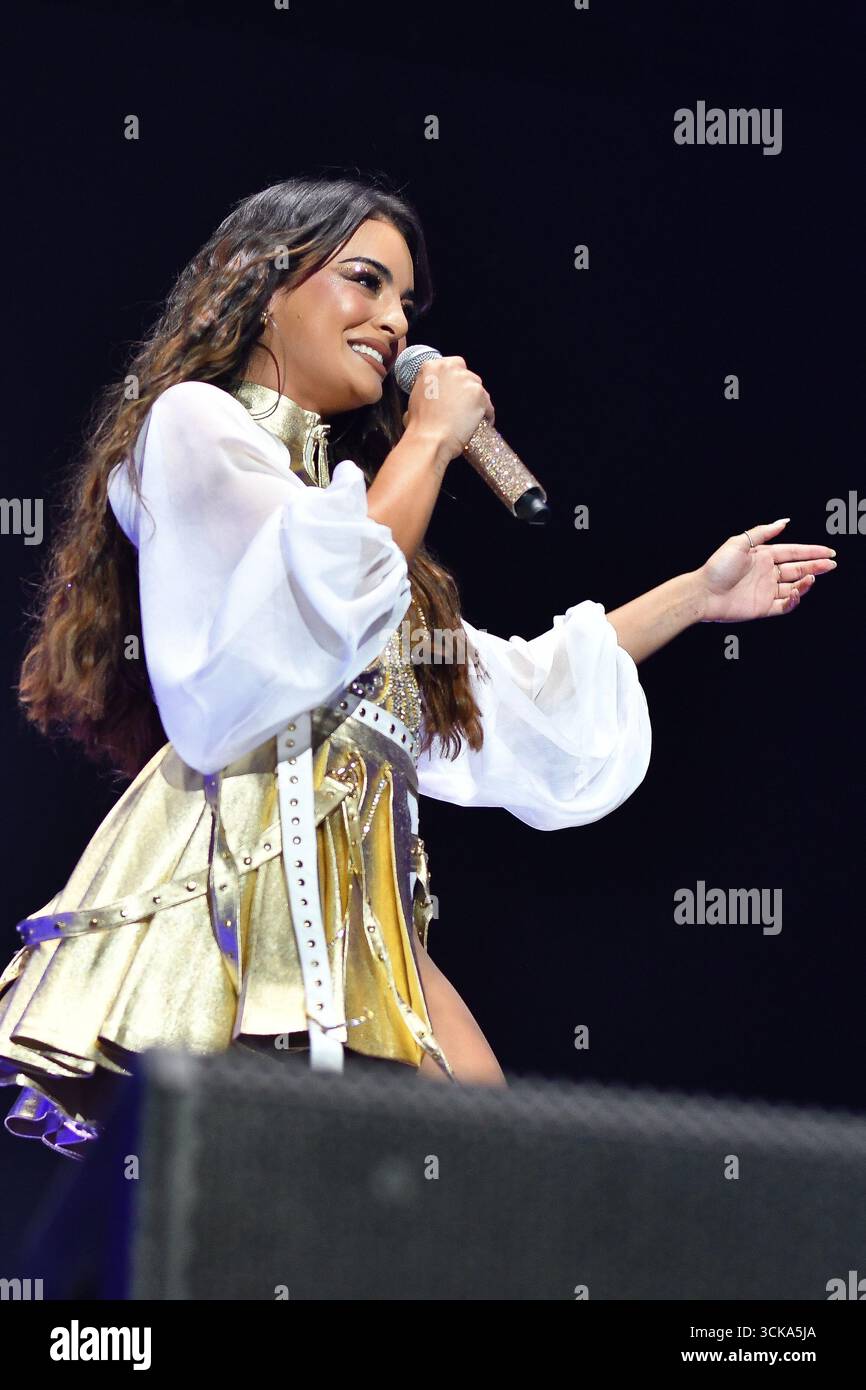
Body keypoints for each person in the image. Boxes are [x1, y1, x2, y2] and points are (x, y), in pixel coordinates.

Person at [0, 176, 836, 1159]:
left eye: (406, 304)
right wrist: (433, 437)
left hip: (368, 905)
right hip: (250, 876)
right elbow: (304, 613)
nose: (395, 323)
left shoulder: (347, 513)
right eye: (365, 282)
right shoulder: (195, 424)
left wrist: (697, 593)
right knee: (287, 1198)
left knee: (476, 1166)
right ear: (259, 283)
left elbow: (505, 687)